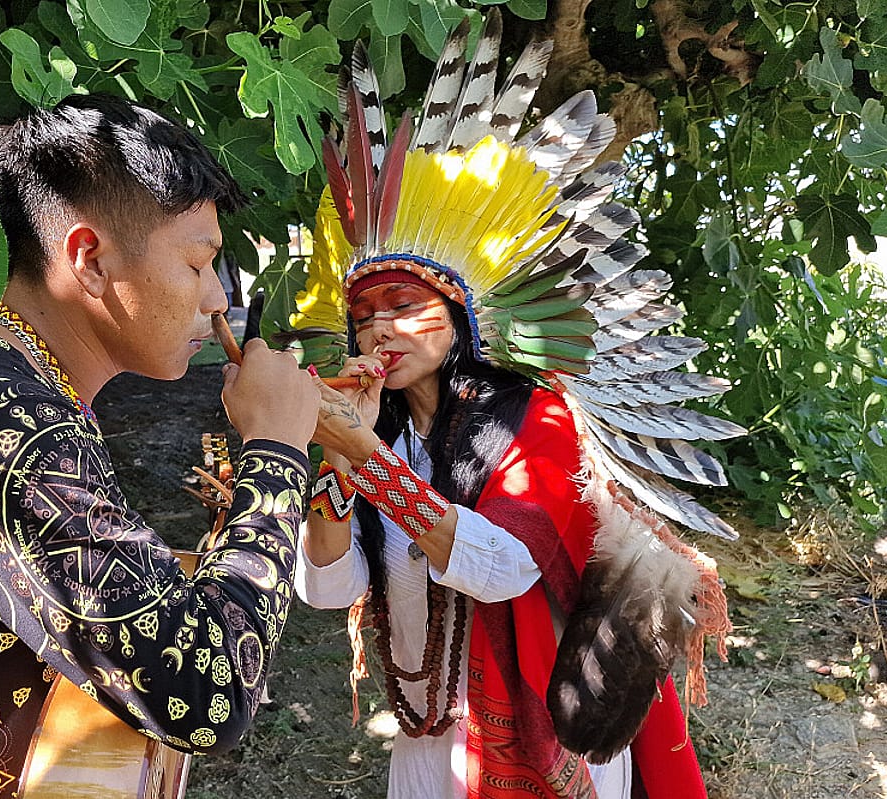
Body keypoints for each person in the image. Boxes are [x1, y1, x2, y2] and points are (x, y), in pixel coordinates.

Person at [0, 93, 323, 798]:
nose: (218, 299)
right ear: (90, 260)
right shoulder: (7, 432)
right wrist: (277, 452)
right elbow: (206, 694)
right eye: (199, 264)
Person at [291, 10, 735, 798]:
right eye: (361, 315)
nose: (377, 326)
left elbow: (500, 568)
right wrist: (337, 456)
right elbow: (326, 587)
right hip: (425, 746)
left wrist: (364, 455)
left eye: (401, 303)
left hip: (537, 740)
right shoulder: (381, 433)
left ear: (462, 316)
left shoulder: (539, 419)